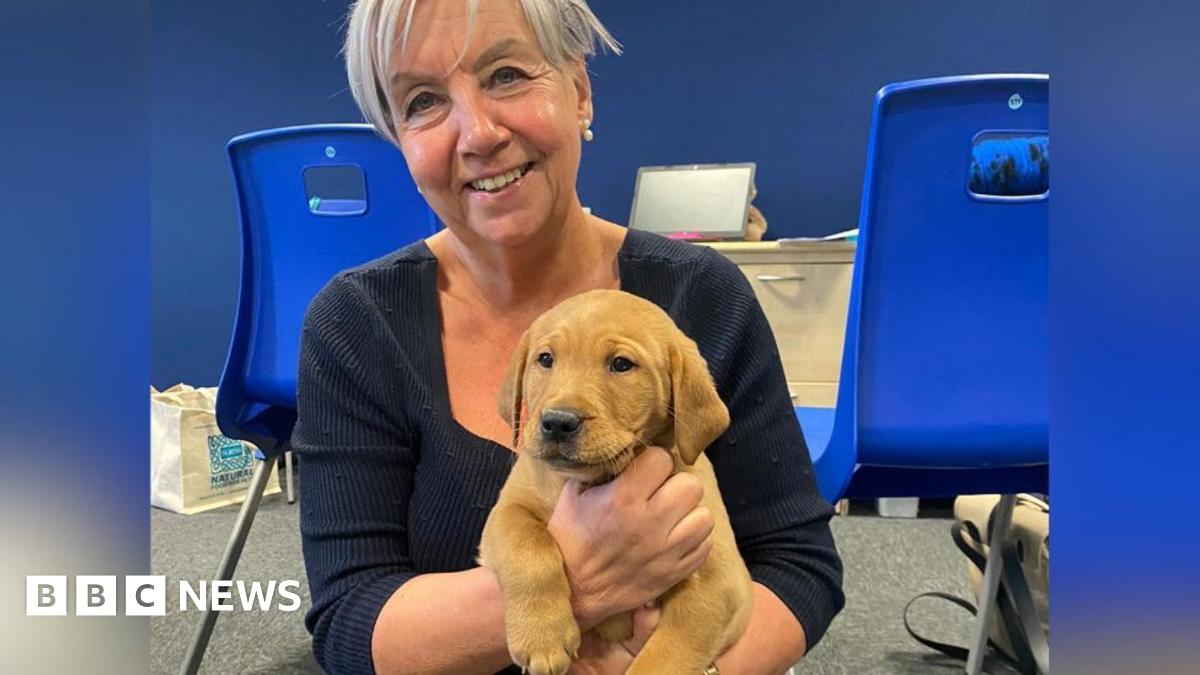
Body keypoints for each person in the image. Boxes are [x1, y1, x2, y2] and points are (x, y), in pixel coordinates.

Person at [293, 1, 844, 673]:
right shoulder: (355, 324)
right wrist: (580, 580)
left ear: (579, 90)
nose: (477, 133)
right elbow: (349, 619)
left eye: (505, 74)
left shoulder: (702, 298)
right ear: (400, 140)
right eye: (423, 101)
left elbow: (798, 565)